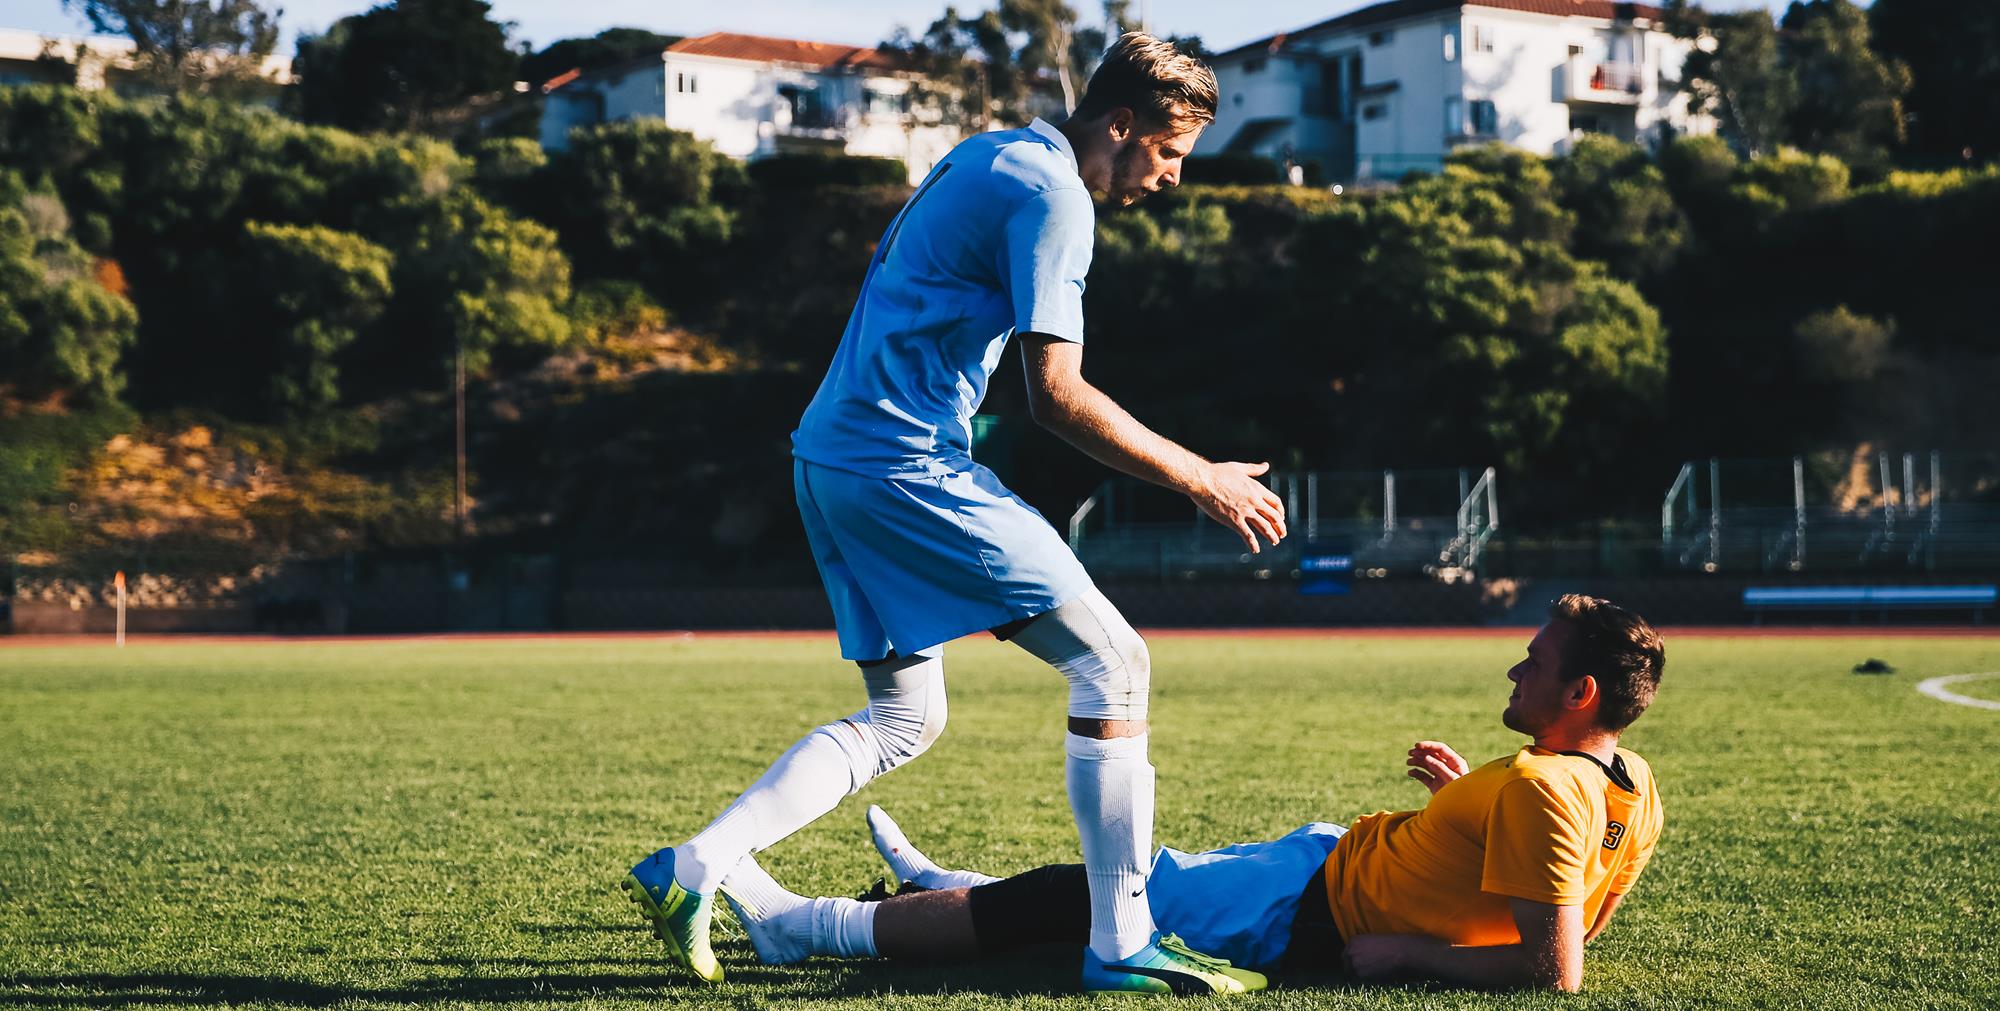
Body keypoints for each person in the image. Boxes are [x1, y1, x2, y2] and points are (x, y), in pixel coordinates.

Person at [621, 33, 1288, 997]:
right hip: (904, 463)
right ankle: (1123, 940)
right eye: (1172, 151)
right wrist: (1200, 477)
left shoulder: (990, 152)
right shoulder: (1058, 196)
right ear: (1123, 126)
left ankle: (696, 866)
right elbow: (1054, 393)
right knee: (1114, 662)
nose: (1175, 176)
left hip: (829, 456)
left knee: (905, 715)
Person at [717, 595, 1667, 995]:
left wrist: (1409, 950)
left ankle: (808, 926)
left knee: (1083, 904)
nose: (1515, 664)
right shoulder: (1627, 782)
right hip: (1323, 867)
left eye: (1535, 661)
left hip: (1311, 907)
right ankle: (943, 882)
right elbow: (1578, 894)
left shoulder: (1546, 788)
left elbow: (1555, 968)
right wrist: (1468, 814)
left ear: (1579, 693)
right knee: (1111, 886)